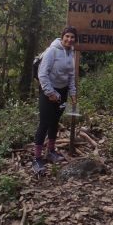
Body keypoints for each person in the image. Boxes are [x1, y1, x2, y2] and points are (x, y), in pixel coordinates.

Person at [33, 26, 78, 173]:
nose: (69, 39)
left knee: (55, 122)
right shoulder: (52, 51)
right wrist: (50, 92)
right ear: (62, 36)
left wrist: (73, 93)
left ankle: (51, 151)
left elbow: (71, 76)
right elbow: (42, 74)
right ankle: (37, 159)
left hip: (62, 92)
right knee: (44, 123)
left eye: (72, 37)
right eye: (67, 36)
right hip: (48, 92)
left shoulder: (71, 53)